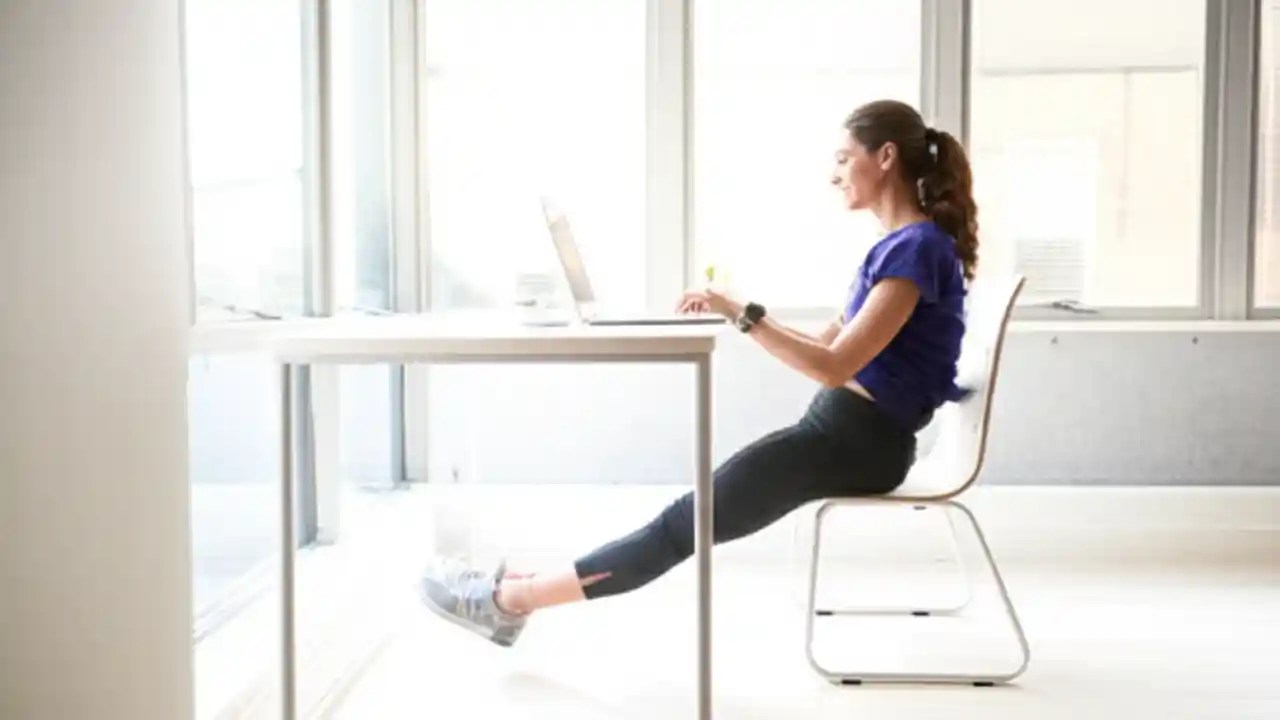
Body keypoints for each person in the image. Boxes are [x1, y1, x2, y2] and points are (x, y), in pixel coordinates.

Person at [418, 99, 980, 648]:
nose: (834, 174)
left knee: (682, 526)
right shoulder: (901, 248)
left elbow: (832, 367)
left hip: (855, 444)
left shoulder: (917, 249)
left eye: (841, 158)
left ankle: (507, 605)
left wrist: (743, 317)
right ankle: (516, 590)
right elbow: (827, 344)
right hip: (844, 436)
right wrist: (738, 307)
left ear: (884, 157)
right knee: (687, 519)